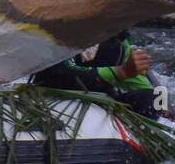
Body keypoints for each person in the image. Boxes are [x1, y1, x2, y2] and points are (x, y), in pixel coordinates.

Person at [29, 30, 163, 119]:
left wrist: (163, 106)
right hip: (55, 99)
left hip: (102, 103)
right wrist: (119, 72)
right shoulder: (64, 27)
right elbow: (57, 73)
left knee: (156, 97)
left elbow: (134, 79)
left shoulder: (120, 37)